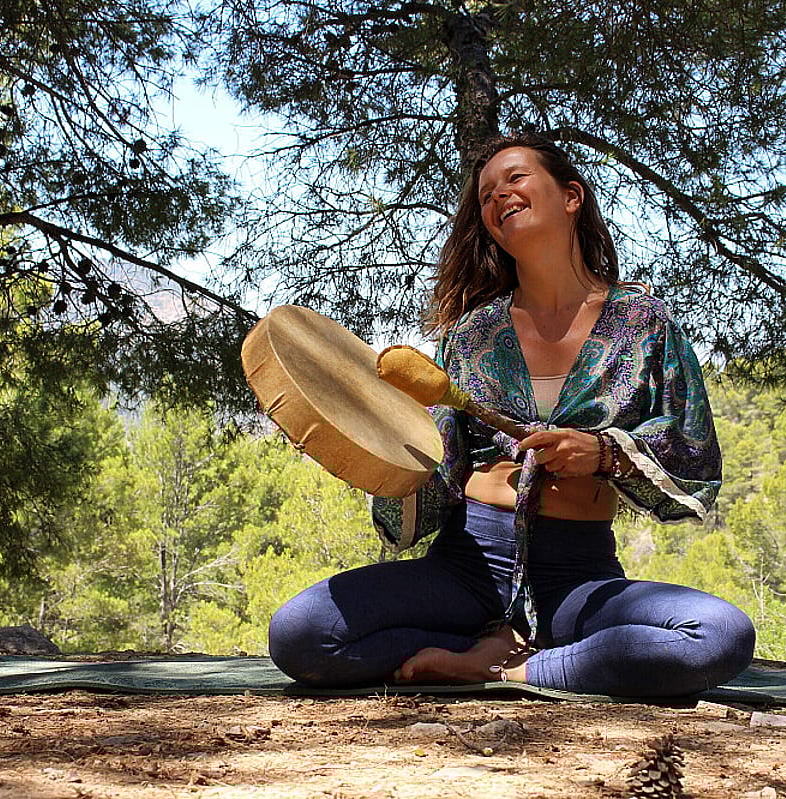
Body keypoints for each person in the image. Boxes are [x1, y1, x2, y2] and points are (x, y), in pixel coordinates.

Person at [267, 133, 755, 697]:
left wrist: (603, 453)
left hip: (578, 576)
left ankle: (510, 669)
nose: (499, 195)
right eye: (485, 195)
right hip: (464, 566)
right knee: (300, 634)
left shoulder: (644, 324)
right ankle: (495, 646)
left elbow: (693, 457)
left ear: (571, 196)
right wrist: (366, 455)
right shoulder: (472, 334)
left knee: (721, 634)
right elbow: (433, 463)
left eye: (515, 178)